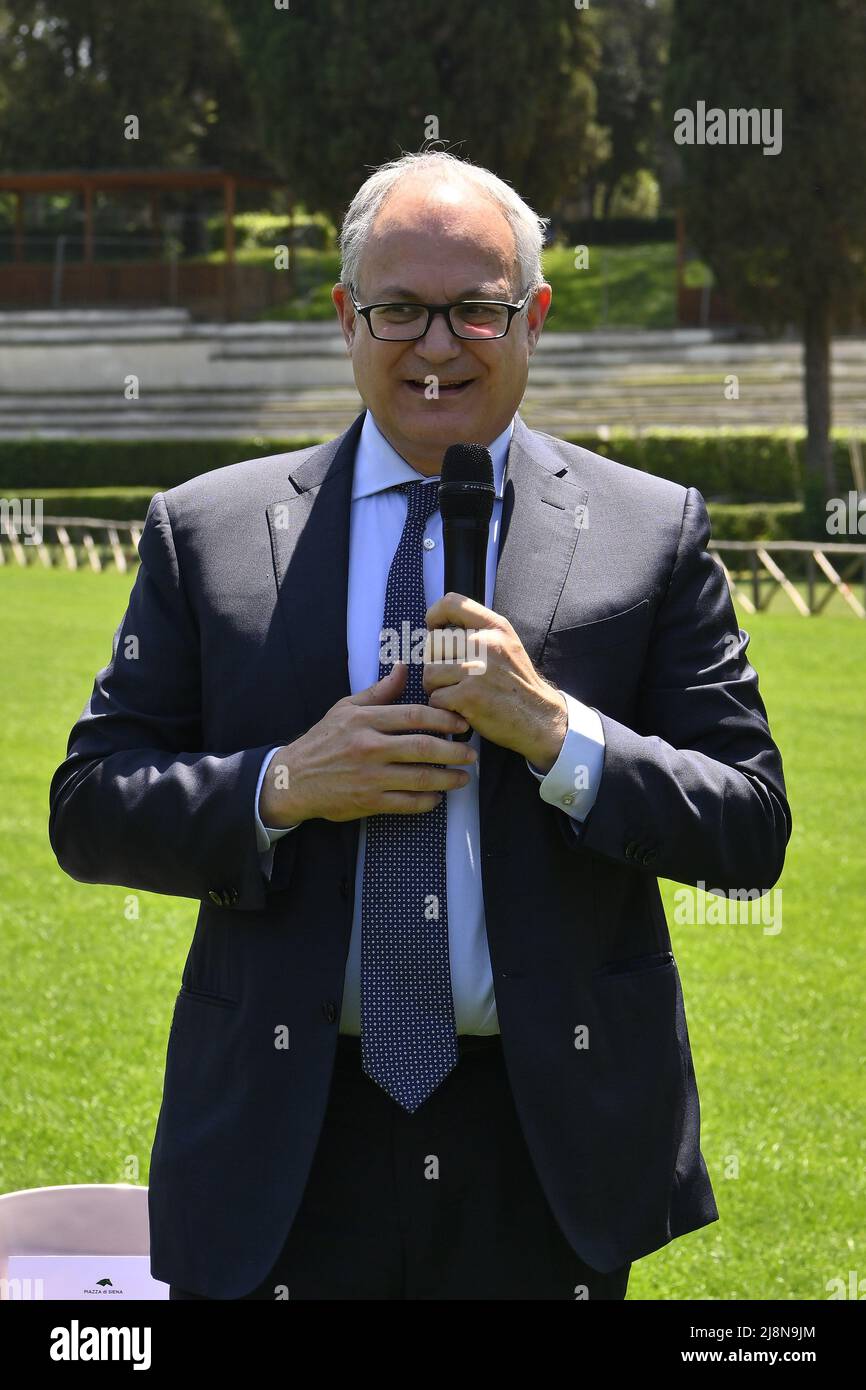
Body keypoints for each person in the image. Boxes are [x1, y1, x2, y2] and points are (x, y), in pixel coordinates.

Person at [48, 149, 791, 1301]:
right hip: (284, 1136)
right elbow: (89, 806)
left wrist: (557, 735)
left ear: (532, 317)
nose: (436, 345)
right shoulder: (209, 531)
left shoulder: (649, 531)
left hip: (543, 1145)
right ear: (346, 316)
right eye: (398, 308)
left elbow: (750, 829)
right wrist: (281, 784)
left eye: (476, 310)